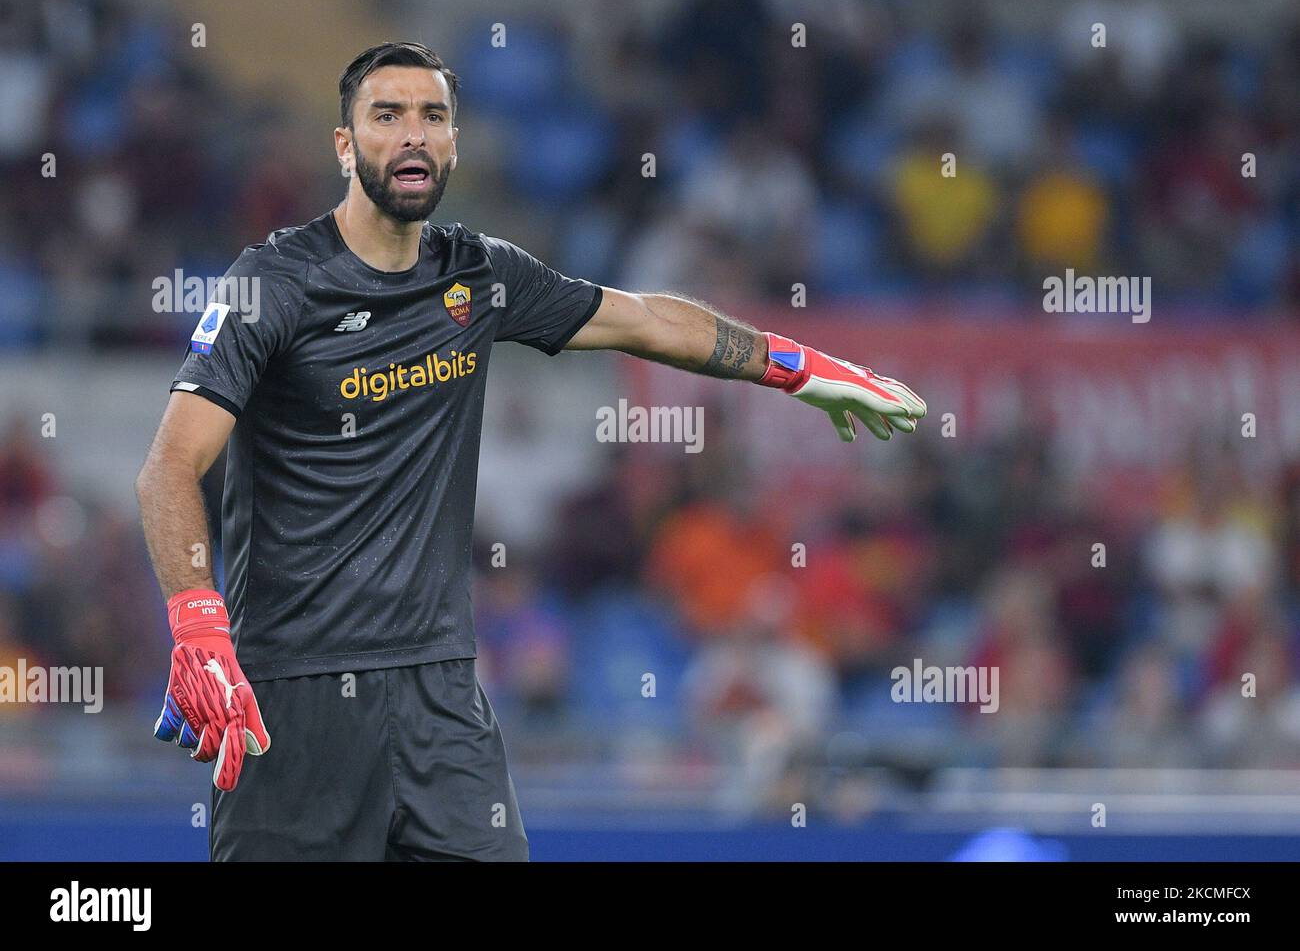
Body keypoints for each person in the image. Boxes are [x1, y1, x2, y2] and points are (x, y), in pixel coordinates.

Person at [134, 42, 927, 861]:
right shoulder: (272, 283)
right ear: (344, 145)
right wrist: (198, 624)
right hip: (291, 698)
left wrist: (796, 367)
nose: (413, 134)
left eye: (433, 117)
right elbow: (169, 466)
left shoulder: (477, 276)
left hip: (440, 697)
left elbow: (648, 320)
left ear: (453, 144)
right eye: (387, 116)